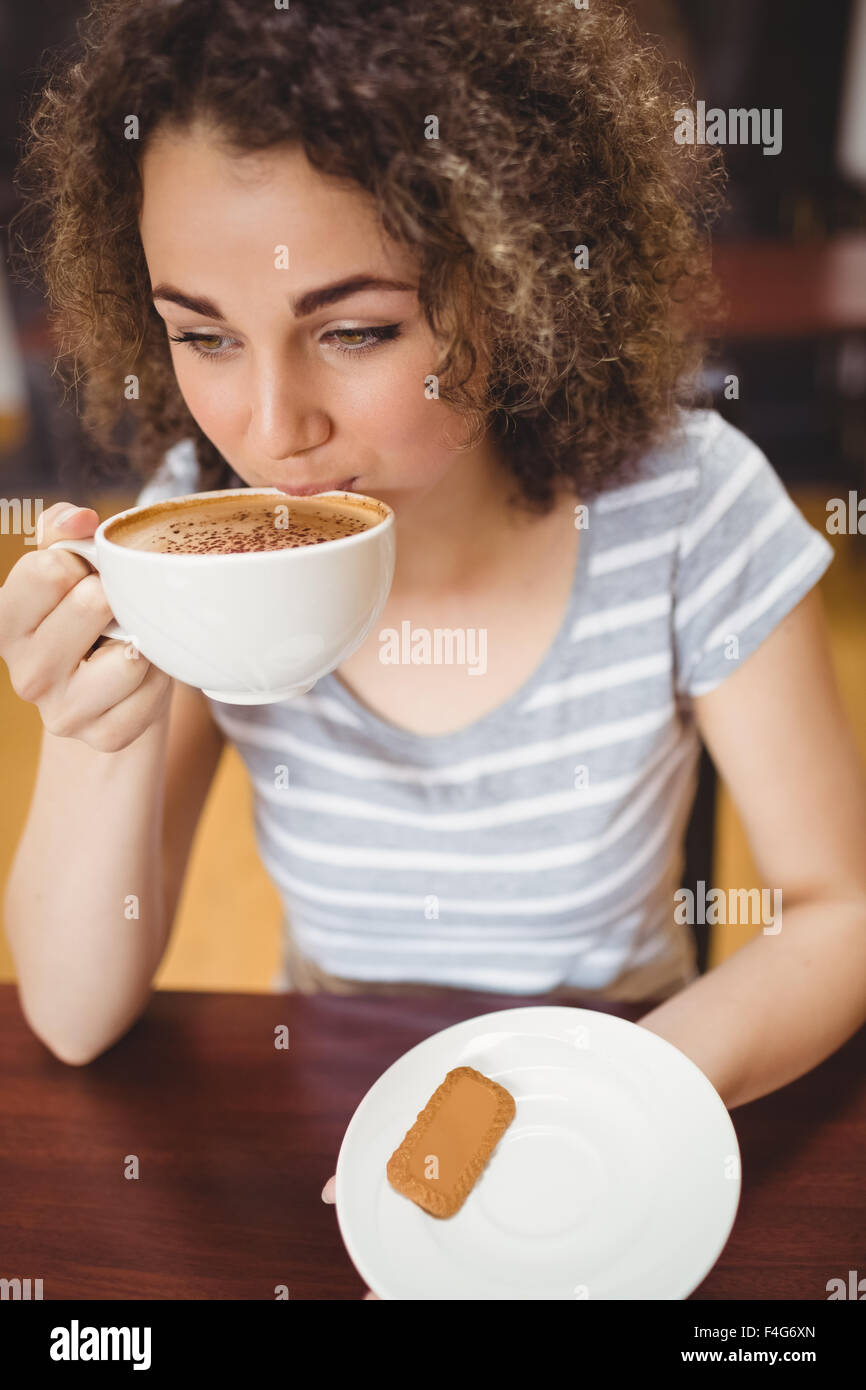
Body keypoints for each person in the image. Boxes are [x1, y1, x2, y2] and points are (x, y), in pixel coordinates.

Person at [4, 0, 866, 1133]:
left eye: (356, 330)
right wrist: (90, 734)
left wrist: (590, 1097)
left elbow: (838, 911)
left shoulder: (684, 512)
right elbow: (72, 1020)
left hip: (619, 1099)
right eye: (204, 335)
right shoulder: (191, 530)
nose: (269, 429)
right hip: (338, 1115)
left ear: (515, 282)